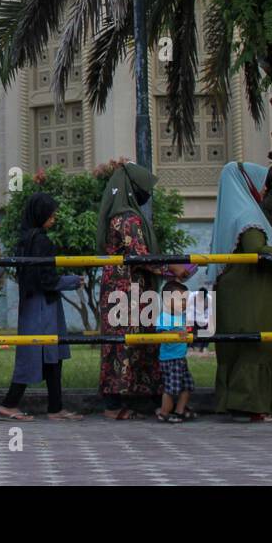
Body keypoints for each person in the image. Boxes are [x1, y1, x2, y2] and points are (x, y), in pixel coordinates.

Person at [98, 161, 189, 420]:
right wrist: (174, 268)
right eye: (143, 189)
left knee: (135, 343)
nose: (146, 194)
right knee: (123, 345)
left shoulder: (121, 216)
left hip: (130, 291)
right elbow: (140, 256)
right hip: (125, 293)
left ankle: (139, 399)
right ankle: (114, 404)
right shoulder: (127, 219)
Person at [209, 162, 272, 422]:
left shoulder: (232, 214)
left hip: (236, 290)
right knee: (257, 344)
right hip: (252, 292)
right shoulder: (249, 216)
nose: (265, 189)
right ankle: (254, 405)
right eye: (262, 183)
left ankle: (235, 401)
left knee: (239, 345)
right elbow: (257, 248)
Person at [0, 192, 83, 421]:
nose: (54, 217)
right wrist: (73, 281)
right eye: (50, 213)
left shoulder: (25, 238)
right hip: (44, 305)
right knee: (39, 354)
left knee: (45, 354)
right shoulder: (41, 240)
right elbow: (47, 280)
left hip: (32, 304)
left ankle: (55, 407)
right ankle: (9, 404)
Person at [155, 280, 195, 423]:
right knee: (171, 388)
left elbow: (182, 331)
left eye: (185, 300)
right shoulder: (164, 317)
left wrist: (186, 333)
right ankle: (164, 412)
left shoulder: (180, 317)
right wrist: (176, 333)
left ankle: (179, 410)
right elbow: (160, 335)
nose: (184, 303)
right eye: (181, 300)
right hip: (170, 359)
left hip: (180, 358)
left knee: (187, 386)